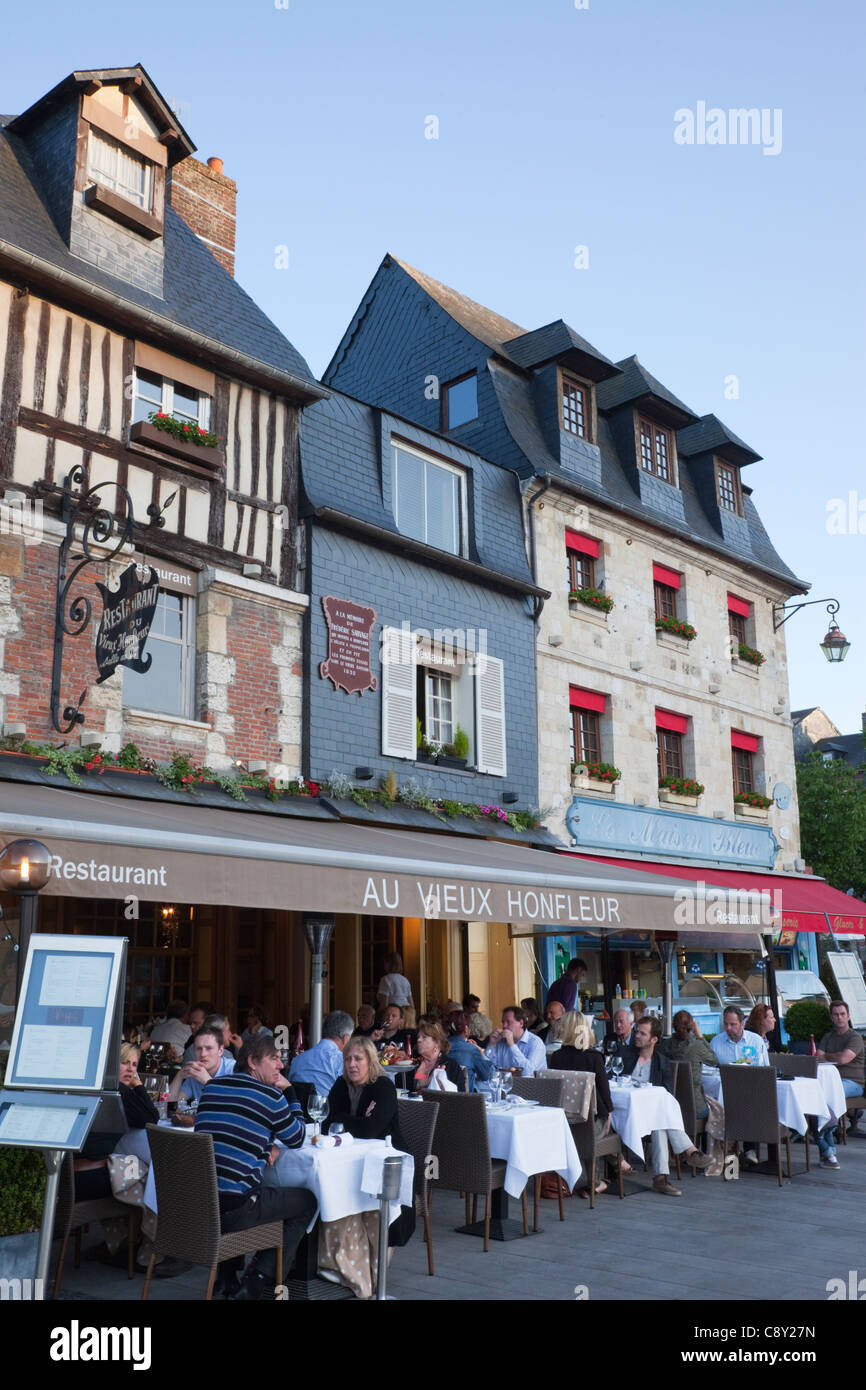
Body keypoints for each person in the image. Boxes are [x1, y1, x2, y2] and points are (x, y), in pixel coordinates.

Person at [195, 1033, 314, 1300]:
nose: (280, 1066)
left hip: (202, 1205)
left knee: (237, 1182)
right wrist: (290, 1091)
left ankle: (226, 1279)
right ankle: (257, 1280)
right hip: (237, 1209)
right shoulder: (270, 1096)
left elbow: (236, 1129)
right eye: (274, 1059)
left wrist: (266, 1142)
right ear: (252, 1061)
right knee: (307, 1201)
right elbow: (296, 1137)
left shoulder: (212, 1087)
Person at [319, 1036, 414, 1296]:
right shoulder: (341, 1085)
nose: (352, 1064)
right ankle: (353, 1274)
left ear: (370, 1061)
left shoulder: (382, 1086)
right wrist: (347, 1120)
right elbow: (327, 1122)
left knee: (385, 1218)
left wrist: (342, 1119)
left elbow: (371, 1129)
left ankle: (375, 1283)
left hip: (390, 1167)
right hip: (349, 1164)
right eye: (348, 1059)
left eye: (358, 1058)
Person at [622, 1016, 712, 1194]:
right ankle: (689, 1150)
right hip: (625, 1111)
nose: (637, 1036)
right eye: (636, 1031)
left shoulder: (661, 1063)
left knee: (659, 1123)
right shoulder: (625, 1055)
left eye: (642, 1033)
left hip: (648, 1114)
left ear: (654, 1039)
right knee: (659, 1119)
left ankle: (661, 1178)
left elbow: (666, 1096)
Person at [549, 1010, 613, 1195]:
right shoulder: (594, 1057)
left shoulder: (557, 1057)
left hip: (565, 1123)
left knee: (592, 1125)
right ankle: (598, 1180)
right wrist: (608, 1113)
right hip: (588, 1125)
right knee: (607, 1125)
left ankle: (617, 1166)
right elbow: (604, 1092)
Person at [709, 1006, 768, 1165]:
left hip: (752, 1089)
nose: (728, 1028)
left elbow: (765, 1070)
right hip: (726, 1090)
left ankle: (749, 1148)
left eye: (733, 1024)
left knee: (752, 1102)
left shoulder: (755, 1041)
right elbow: (709, 1070)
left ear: (742, 1023)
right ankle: (729, 1149)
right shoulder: (716, 1042)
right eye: (726, 1024)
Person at [813, 1001, 866, 1165]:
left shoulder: (854, 1037)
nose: (839, 1018)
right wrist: (833, 1056)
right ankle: (829, 1150)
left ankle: (823, 1141)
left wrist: (828, 1056)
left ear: (848, 1016)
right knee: (815, 1097)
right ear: (831, 1017)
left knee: (825, 1097)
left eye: (842, 1014)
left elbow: (844, 1058)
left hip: (853, 1083)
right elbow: (817, 1056)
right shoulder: (828, 1037)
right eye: (836, 1015)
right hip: (829, 1081)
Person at [659, 1010, 719, 1121]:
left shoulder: (664, 1046)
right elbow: (714, 1060)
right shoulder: (697, 1046)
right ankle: (704, 1138)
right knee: (717, 1108)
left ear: (673, 1026)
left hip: (670, 1107)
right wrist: (699, 1035)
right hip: (695, 1108)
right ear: (692, 1027)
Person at [168, 1024, 236, 1116]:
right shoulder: (195, 1071)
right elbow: (170, 1106)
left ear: (220, 1051)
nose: (203, 1054)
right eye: (199, 1049)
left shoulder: (234, 1069)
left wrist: (207, 1082)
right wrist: (180, 1075)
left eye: (209, 1048)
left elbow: (233, 1108)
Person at [289, 1009, 354, 1096]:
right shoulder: (342, 1060)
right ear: (345, 1039)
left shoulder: (297, 1060)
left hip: (299, 1108)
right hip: (329, 1108)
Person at [485, 1005, 547, 1078]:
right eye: (503, 1022)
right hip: (503, 1086)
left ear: (521, 1023)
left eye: (508, 1022)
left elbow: (529, 1072)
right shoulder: (501, 1041)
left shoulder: (535, 1043)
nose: (504, 1026)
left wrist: (512, 1045)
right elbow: (486, 1070)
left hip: (531, 1087)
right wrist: (492, 1045)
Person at [409, 1020, 466, 1092]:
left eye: (424, 1037)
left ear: (437, 1042)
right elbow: (403, 1088)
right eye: (418, 1036)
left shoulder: (451, 1066)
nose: (419, 1040)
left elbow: (460, 1094)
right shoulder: (413, 1062)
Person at [447, 1012, 495, 1091]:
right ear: (466, 1029)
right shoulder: (471, 1050)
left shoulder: (440, 1046)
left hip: (442, 1098)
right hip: (466, 1099)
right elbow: (486, 1075)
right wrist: (482, 1054)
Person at [376, 952, 414, 1017]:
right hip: (406, 1014)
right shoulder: (405, 980)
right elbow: (411, 1003)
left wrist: (376, 1016)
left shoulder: (386, 979)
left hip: (393, 1014)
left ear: (388, 964)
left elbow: (384, 1004)